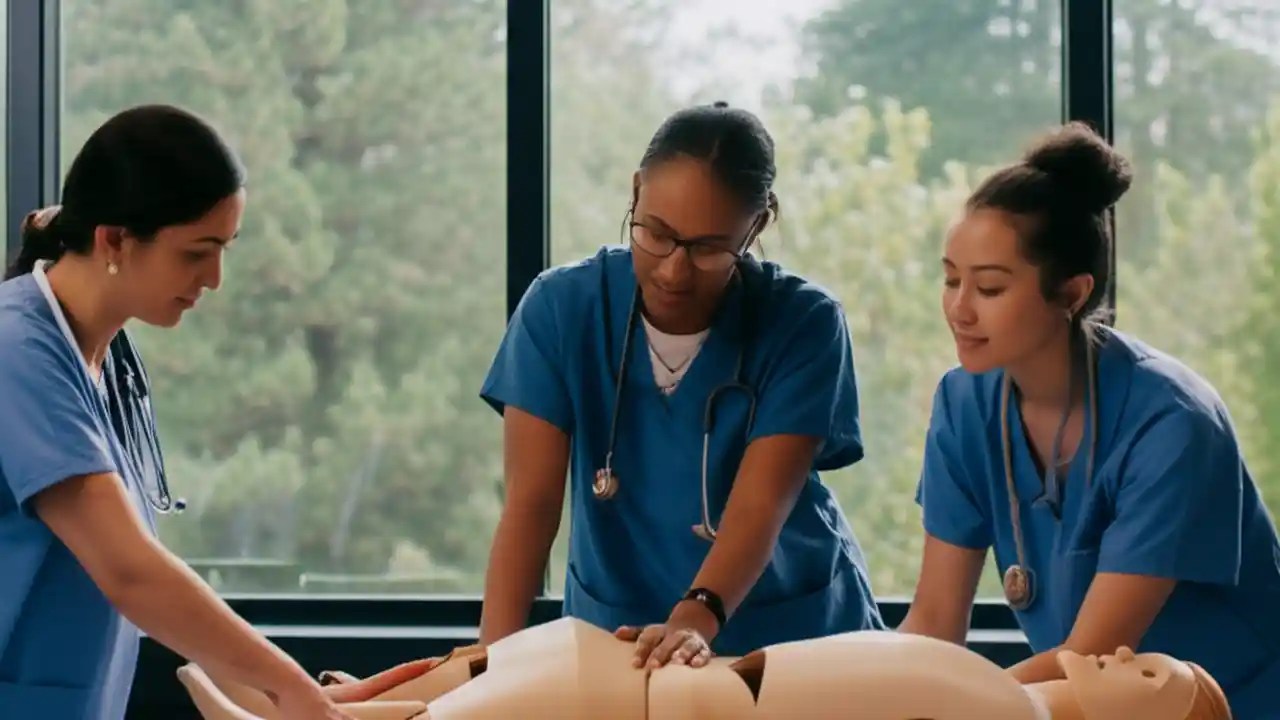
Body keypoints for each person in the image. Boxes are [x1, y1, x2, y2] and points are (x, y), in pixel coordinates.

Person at [478, 101, 884, 670]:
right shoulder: (561, 309)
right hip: (614, 641)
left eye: (708, 248)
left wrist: (694, 619)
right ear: (636, 190)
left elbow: (762, 505)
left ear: (758, 225)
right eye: (656, 234)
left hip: (791, 639)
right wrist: (488, 668)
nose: (673, 269)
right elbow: (531, 505)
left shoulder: (804, 323)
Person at [899, 121, 1280, 718]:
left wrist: (957, 705)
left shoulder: (1172, 423)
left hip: (1231, 702)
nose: (958, 309)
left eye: (990, 288)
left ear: (1072, 293)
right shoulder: (965, 403)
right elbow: (934, 621)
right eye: (950, 280)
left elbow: (1093, 654)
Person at [0, 105, 358, 720]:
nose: (215, 278)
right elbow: (130, 570)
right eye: (197, 251)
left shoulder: (107, 359)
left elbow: (151, 590)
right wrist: (291, 689)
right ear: (115, 239)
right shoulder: (17, 354)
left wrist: (303, 696)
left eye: (224, 249)